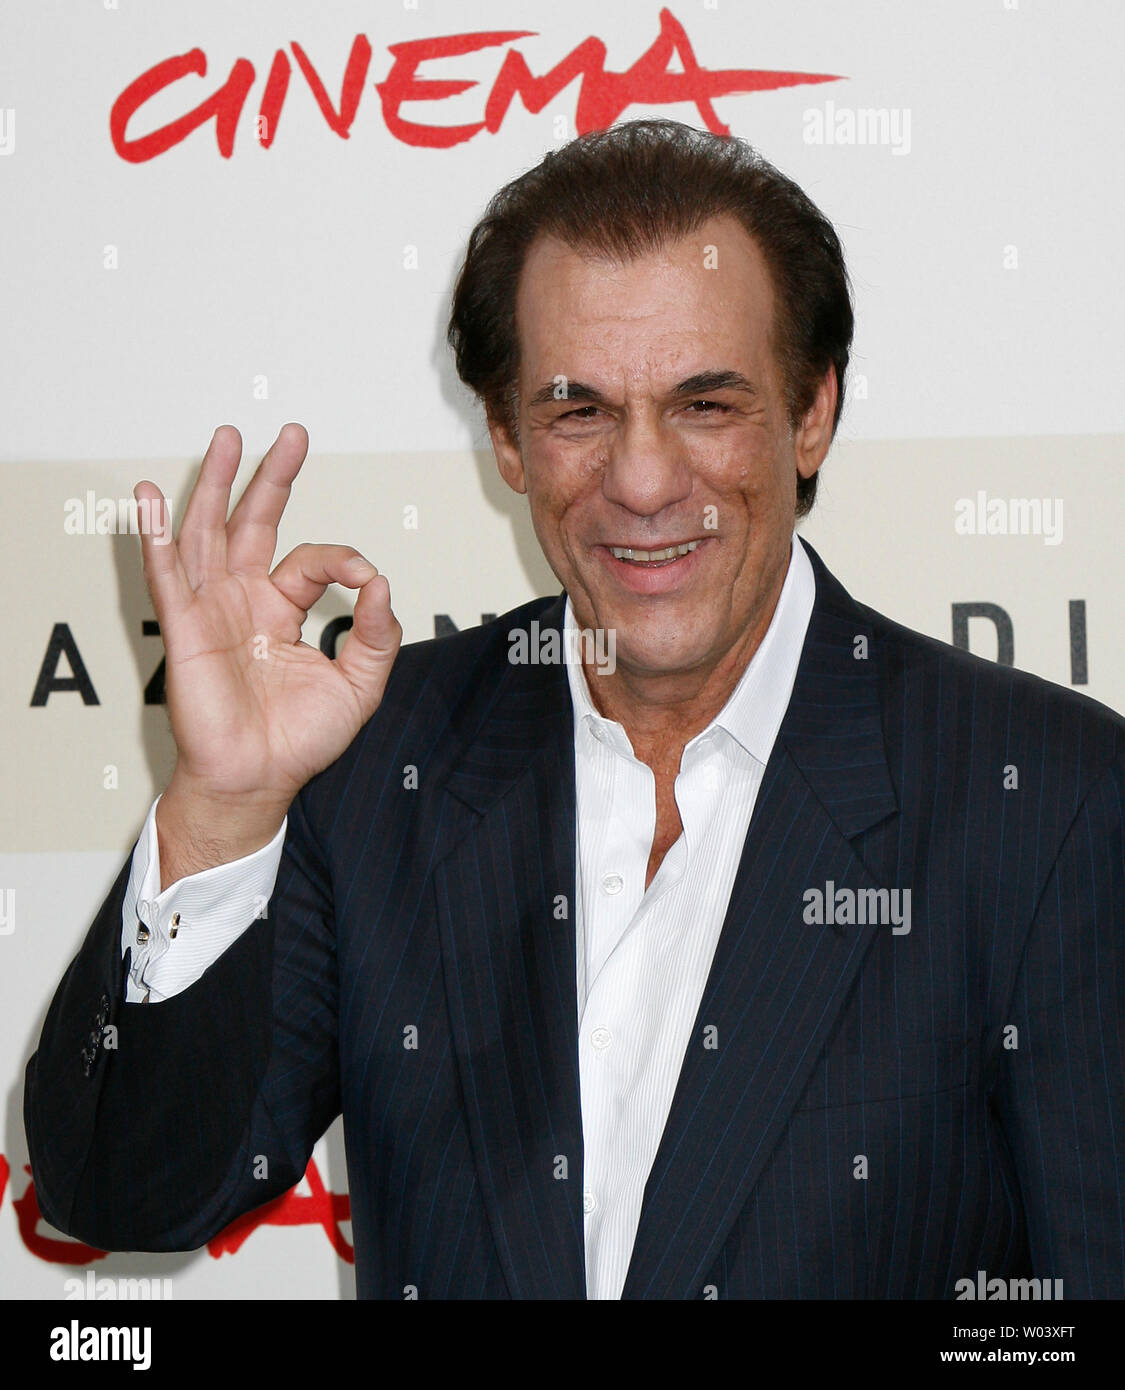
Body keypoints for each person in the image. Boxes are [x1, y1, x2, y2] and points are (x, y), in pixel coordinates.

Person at [24, 119, 1125, 1300]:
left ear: (811, 412)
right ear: (505, 436)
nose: (643, 482)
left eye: (706, 404)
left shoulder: (1047, 799)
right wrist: (221, 812)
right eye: (578, 411)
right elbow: (124, 1194)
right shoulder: (381, 755)